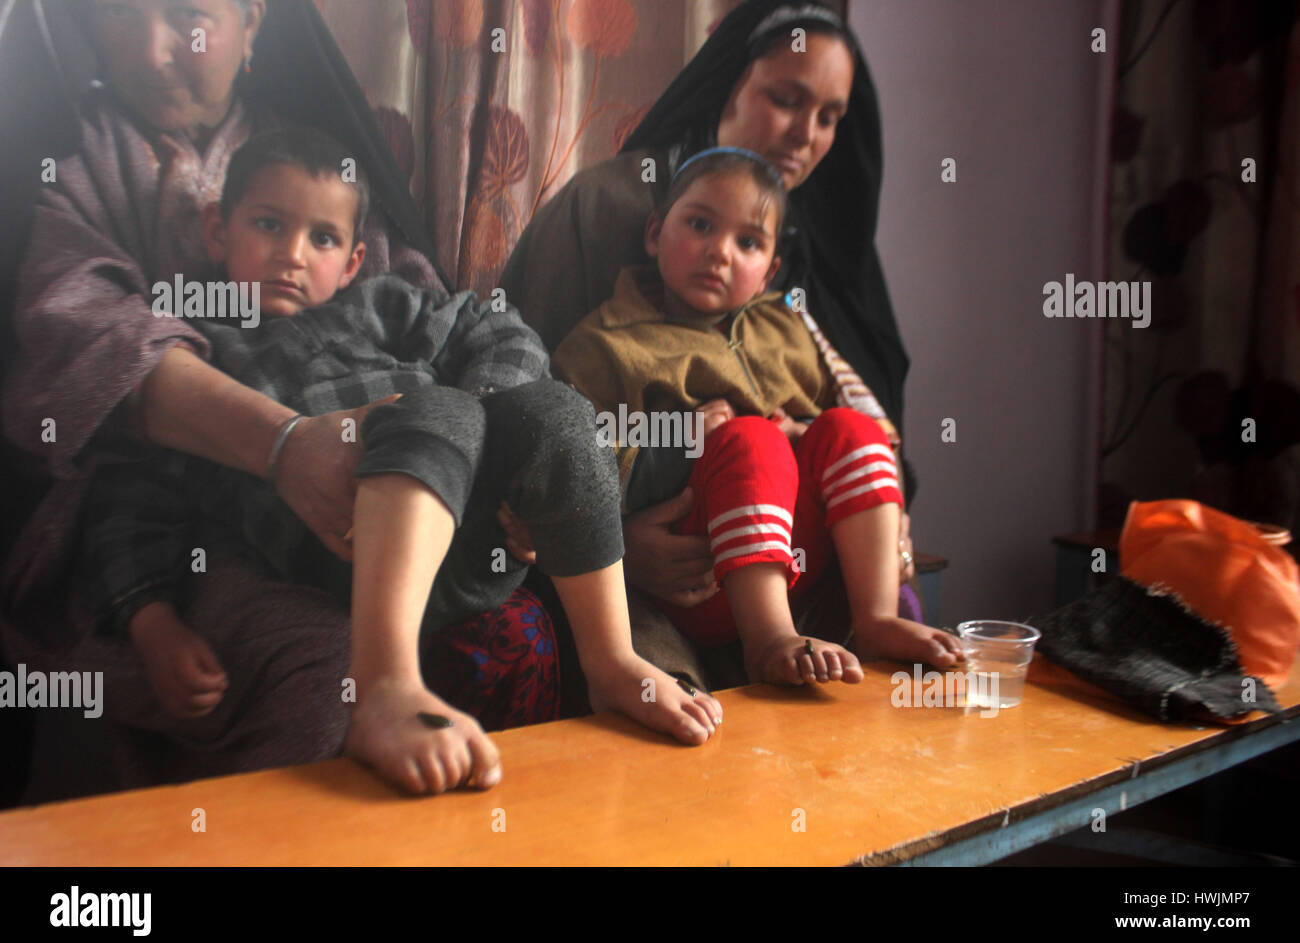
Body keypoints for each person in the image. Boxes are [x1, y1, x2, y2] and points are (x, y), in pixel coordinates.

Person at [0, 0, 556, 793]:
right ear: (217, 232)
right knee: (315, 667)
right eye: (126, 13)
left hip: (396, 489)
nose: (158, 49)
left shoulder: (319, 160)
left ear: (254, 22)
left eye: (189, 16)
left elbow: (445, 326)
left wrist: (500, 453)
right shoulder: (60, 159)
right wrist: (286, 444)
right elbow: (94, 345)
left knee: (517, 629)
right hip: (194, 509)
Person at [79, 128, 723, 793]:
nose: (292, 255)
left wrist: (489, 423)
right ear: (218, 230)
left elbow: (497, 330)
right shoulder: (203, 354)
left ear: (355, 260)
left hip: (473, 537)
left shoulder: (384, 306)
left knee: (553, 408)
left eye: (322, 238)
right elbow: (130, 496)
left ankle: (613, 660)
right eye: (268, 224)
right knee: (421, 410)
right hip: (336, 551)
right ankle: (388, 686)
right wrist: (152, 622)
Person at [500, 0, 928, 688]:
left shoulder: (822, 252)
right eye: (785, 100)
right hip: (647, 575)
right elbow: (531, 418)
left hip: (806, 561)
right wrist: (614, 548)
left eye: (829, 118)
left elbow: (864, 428)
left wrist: (884, 519)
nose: (806, 136)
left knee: (895, 681)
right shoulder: (604, 206)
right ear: (730, 82)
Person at [553, 148, 960, 684]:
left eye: (747, 242)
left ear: (769, 272)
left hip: (798, 554)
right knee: (752, 439)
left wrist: (801, 430)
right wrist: (676, 440)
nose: (719, 253)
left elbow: (838, 436)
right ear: (655, 233)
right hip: (695, 570)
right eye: (699, 224)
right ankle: (770, 640)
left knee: (850, 428)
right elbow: (574, 460)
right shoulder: (604, 342)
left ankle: (877, 618)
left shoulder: (786, 327)